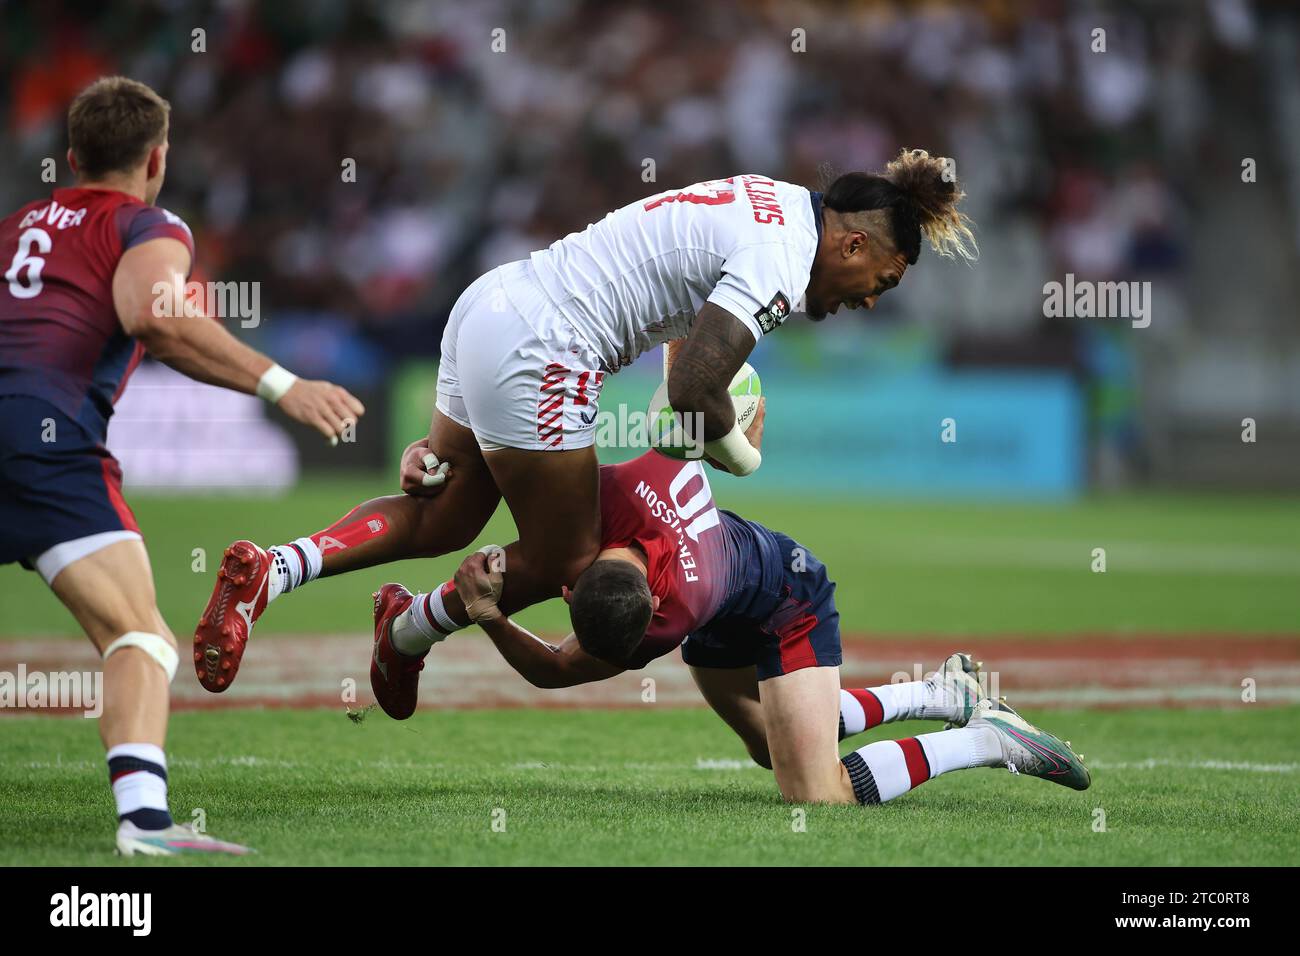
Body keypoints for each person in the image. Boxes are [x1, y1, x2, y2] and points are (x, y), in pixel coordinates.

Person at [195, 153, 977, 695]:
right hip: (548, 347)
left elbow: (681, 338)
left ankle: (276, 568)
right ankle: (405, 632)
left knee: (447, 516)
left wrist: (701, 403)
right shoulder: (783, 259)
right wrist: (739, 452)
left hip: (496, 303)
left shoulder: (771, 200)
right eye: (878, 281)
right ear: (851, 242)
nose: (868, 301)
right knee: (569, 559)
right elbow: (693, 389)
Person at [0, 77, 365, 856]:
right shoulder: (146, 224)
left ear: (70, 157)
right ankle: (144, 821)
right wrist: (283, 384)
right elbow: (153, 319)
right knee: (140, 637)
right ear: (157, 159)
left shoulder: (13, 227)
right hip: (46, 440)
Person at [368, 448, 1090, 805]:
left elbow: (557, 667)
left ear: (570, 584)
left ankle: (988, 739)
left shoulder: (664, 617)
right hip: (728, 601)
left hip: (789, 597)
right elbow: (684, 407)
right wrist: (738, 423)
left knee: (816, 790)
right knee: (766, 746)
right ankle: (940, 692)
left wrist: (491, 615)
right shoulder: (625, 482)